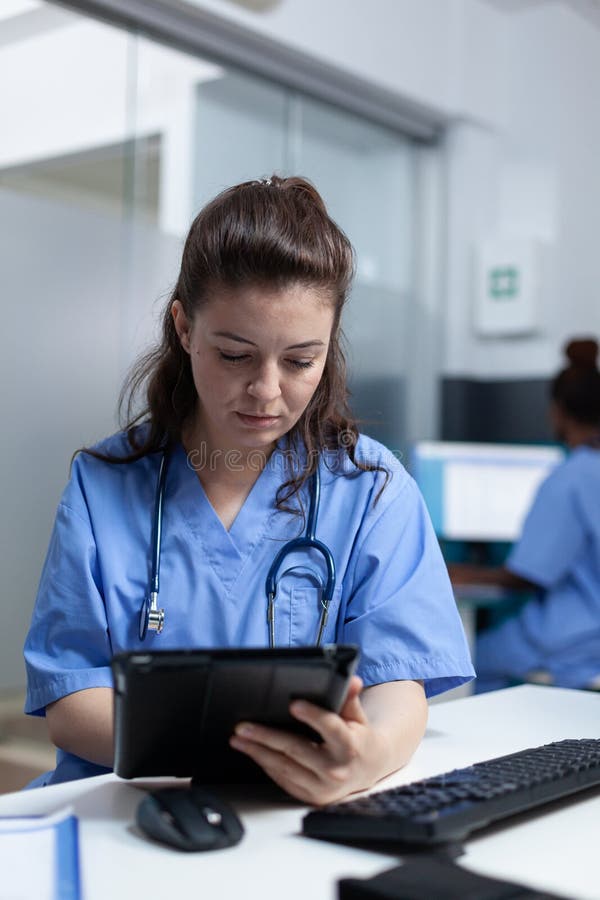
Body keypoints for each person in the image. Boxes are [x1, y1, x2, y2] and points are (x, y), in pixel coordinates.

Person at [24, 175, 474, 802]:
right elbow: (72, 697)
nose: (266, 391)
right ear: (184, 328)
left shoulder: (370, 491)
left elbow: (399, 684)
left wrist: (364, 757)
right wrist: (244, 754)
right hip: (123, 815)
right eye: (235, 354)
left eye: (299, 361)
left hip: (292, 821)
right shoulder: (104, 486)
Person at [450, 338, 600, 693]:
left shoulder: (571, 478)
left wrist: (446, 571)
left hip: (578, 638)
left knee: (468, 661)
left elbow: (524, 577)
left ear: (558, 412)